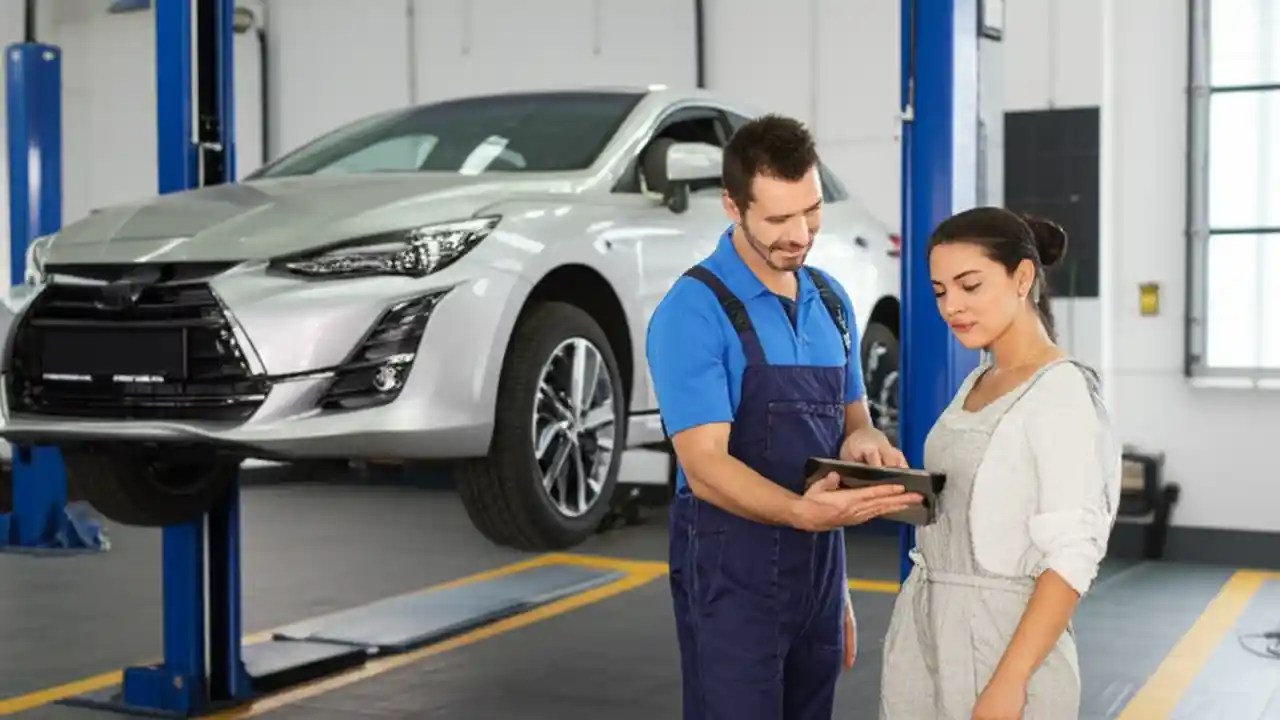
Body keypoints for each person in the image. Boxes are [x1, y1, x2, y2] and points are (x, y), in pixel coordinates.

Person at [646, 113, 923, 720]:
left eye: (811, 211)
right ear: (731, 206)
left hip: (817, 577)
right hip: (732, 585)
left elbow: (854, 421)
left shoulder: (831, 300)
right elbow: (707, 468)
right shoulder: (691, 313)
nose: (799, 234)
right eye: (777, 219)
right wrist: (803, 513)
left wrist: (867, 443)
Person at [878, 207, 1122, 720]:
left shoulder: (1061, 391)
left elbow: (1073, 555)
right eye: (941, 291)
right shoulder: (977, 381)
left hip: (1004, 645)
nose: (953, 307)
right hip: (930, 629)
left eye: (970, 286)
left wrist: (1010, 682)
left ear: (1023, 278)